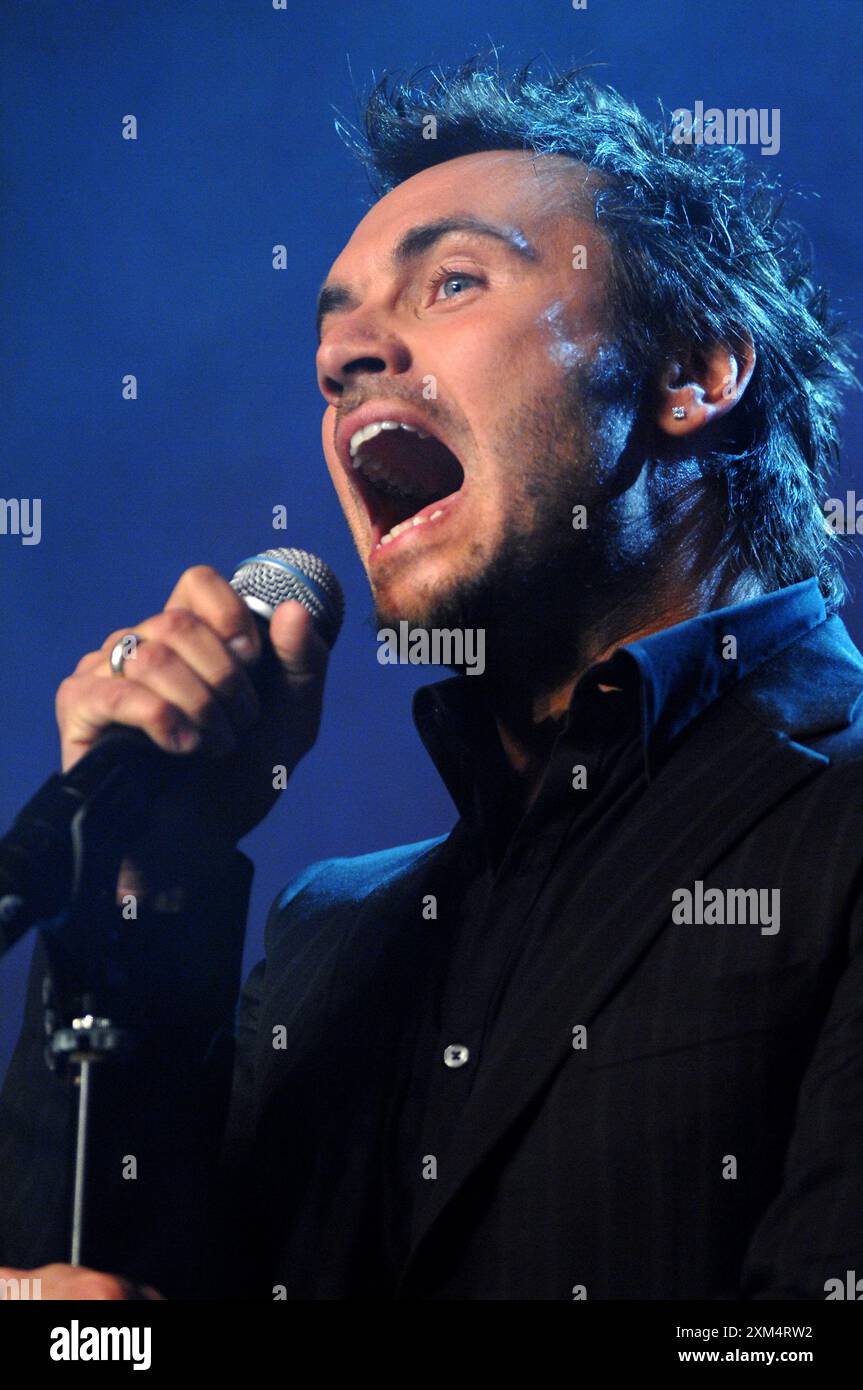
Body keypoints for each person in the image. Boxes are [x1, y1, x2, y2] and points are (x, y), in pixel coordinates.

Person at [1, 60, 861, 1301]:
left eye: (453, 281)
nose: (346, 356)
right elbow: (87, 1302)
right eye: (332, 340)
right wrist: (151, 870)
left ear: (691, 372)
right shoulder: (328, 938)